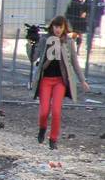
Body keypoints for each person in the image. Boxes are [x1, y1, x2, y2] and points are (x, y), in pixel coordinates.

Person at [31, 15, 90, 151]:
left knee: (56, 111)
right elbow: (33, 57)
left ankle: (53, 139)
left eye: (60, 27)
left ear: (64, 28)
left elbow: (75, 63)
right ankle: (42, 128)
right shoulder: (45, 39)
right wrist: (31, 43)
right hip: (45, 80)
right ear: (52, 27)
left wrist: (82, 81)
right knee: (44, 111)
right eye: (55, 26)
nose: (57, 29)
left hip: (60, 82)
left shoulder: (68, 42)